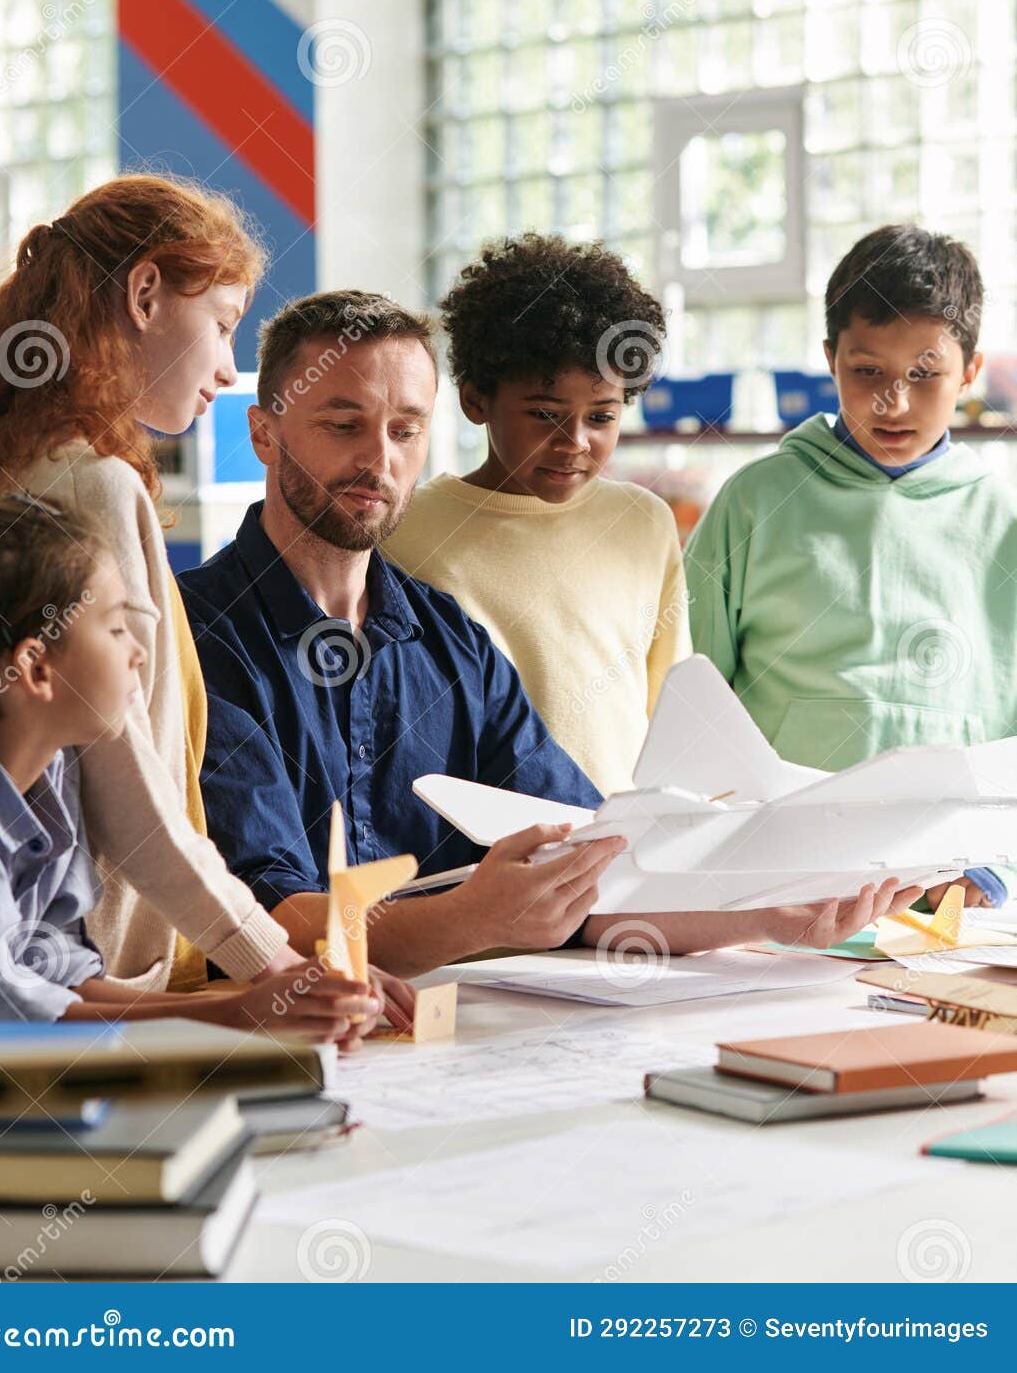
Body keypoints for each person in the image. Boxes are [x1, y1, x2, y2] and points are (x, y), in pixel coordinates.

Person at [179, 290, 916, 974]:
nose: (379, 459)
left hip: (466, 1037)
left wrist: (775, 914)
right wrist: (472, 921)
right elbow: (263, 919)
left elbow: (594, 865)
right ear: (264, 434)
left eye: (405, 430)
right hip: (285, 1047)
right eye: (343, 425)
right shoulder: (198, 636)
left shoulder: (450, 641)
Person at [0, 173, 302, 991]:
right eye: (221, 325)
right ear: (145, 293)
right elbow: (127, 782)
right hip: (101, 962)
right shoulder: (90, 485)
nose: (225, 368)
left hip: (27, 950)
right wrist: (271, 963)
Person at [0, 497, 413, 1040]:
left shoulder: (54, 771)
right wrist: (236, 1015)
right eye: (117, 627)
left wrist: (289, 990)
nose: (140, 654)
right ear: (35, 668)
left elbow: (55, 980)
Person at [685, 224, 1016, 910]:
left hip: (951, 893)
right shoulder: (755, 503)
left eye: (925, 375)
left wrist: (992, 871)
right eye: (868, 372)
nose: (893, 402)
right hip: (775, 885)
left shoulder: (1003, 526)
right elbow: (692, 704)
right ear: (830, 358)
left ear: (972, 371)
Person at [384, 232, 690, 796]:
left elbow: (671, 705)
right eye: (545, 414)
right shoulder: (403, 529)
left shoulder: (644, 523)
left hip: (623, 842)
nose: (574, 441)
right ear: (476, 400)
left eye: (601, 416)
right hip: (473, 850)